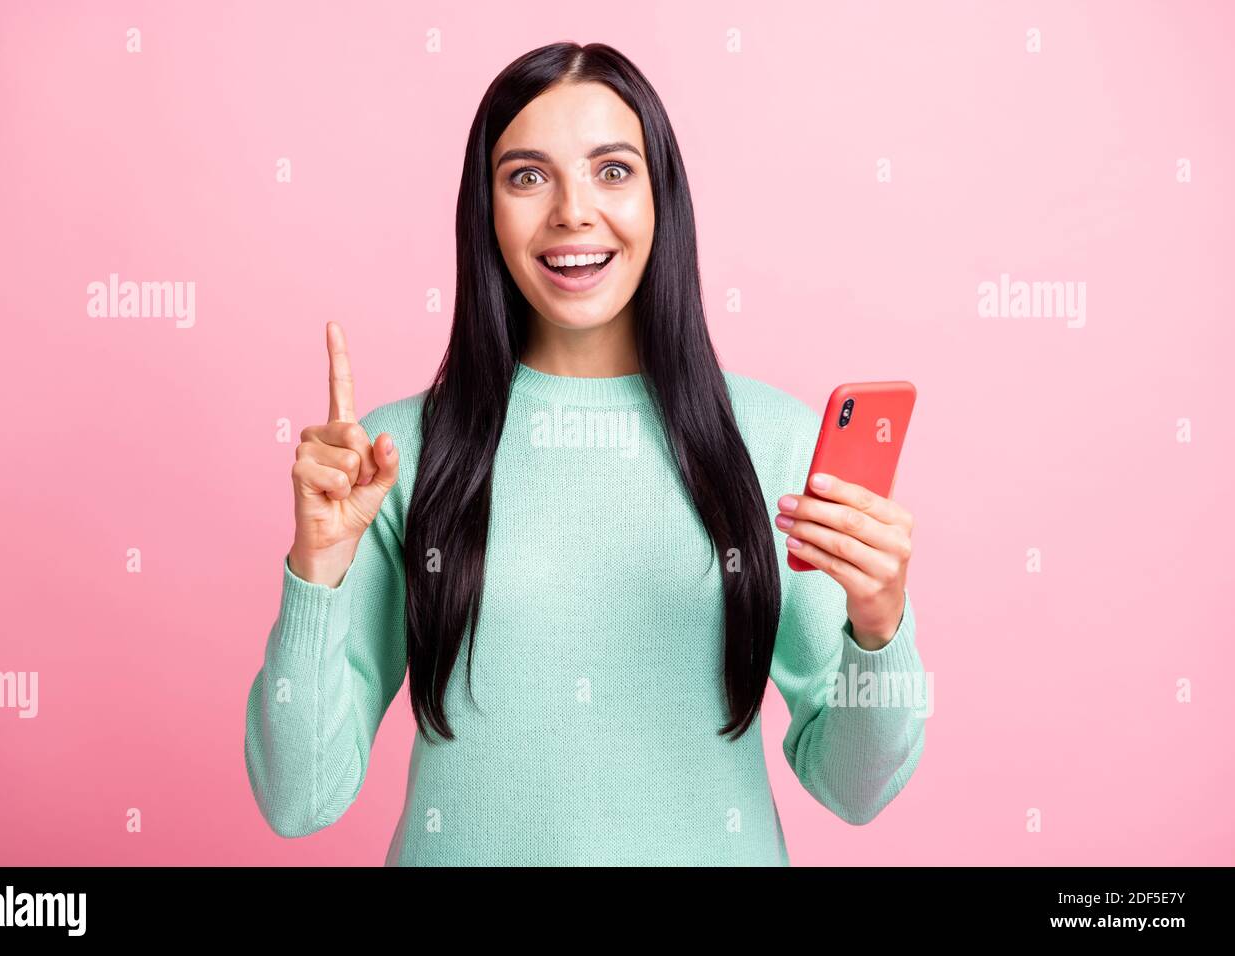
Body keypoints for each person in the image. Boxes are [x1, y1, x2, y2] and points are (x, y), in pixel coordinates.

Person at [244, 41, 925, 866]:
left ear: (660, 197)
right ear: (484, 211)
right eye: (527, 176)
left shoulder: (774, 443)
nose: (572, 211)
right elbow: (300, 798)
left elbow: (854, 789)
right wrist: (315, 572)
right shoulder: (394, 458)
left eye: (612, 170)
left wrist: (880, 626)